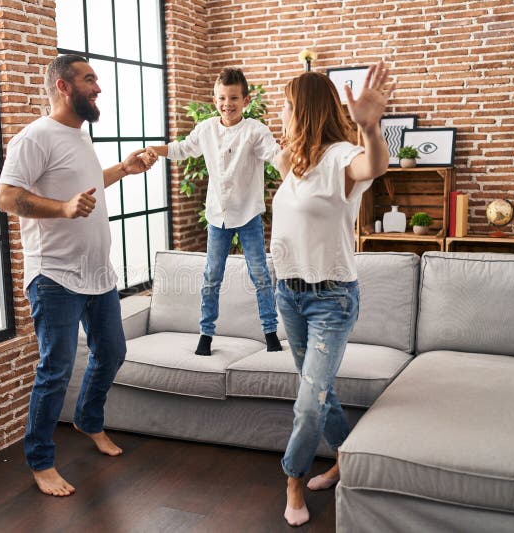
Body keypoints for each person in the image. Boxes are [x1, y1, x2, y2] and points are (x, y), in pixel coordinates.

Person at [0, 54, 157, 497]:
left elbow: (82, 186)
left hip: (97, 274)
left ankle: (88, 419)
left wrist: (123, 169)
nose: (98, 87)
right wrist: (63, 209)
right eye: (89, 79)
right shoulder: (34, 137)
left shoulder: (79, 135)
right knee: (56, 369)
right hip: (54, 276)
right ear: (63, 87)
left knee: (112, 351)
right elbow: (6, 197)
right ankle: (41, 460)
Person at [270, 61, 395, 526]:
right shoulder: (291, 162)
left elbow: (374, 165)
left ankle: (293, 480)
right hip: (289, 295)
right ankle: (344, 456)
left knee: (308, 402)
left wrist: (371, 128)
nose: (280, 113)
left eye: (285, 106)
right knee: (318, 390)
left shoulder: (343, 157)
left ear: (303, 110)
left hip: (331, 300)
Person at [147, 68, 282, 356]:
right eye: (222, 98)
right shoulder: (206, 128)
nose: (227, 104)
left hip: (248, 216)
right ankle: (206, 335)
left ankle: (270, 333)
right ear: (214, 99)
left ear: (245, 100)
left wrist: (294, 156)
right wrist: (155, 150)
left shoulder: (255, 131)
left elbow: (275, 155)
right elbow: (183, 149)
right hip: (217, 217)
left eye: (233, 98)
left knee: (260, 275)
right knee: (211, 277)